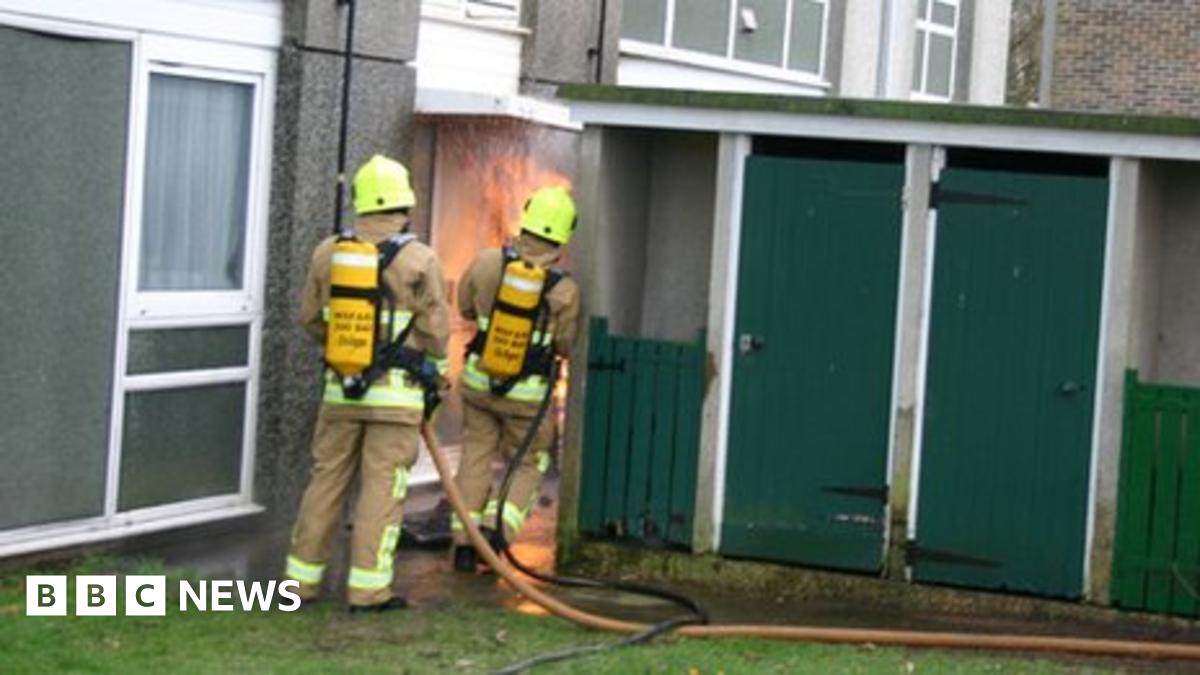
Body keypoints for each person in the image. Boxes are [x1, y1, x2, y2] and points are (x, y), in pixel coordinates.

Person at [285, 154, 450, 612]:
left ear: (359, 202)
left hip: (341, 390)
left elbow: (310, 319)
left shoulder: (328, 252)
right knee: (382, 489)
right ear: (404, 204)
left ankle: (299, 585)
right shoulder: (419, 259)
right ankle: (368, 590)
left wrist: (346, 353)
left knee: (325, 484)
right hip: (395, 401)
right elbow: (437, 331)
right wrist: (435, 369)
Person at [450, 186, 580, 572]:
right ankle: (497, 533)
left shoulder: (489, 261)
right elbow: (564, 345)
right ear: (562, 235)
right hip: (528, 397)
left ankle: (464, 545)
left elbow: (465, 307)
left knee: (475, 455)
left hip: (479, 383)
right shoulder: (564, 289)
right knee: (528, 463)